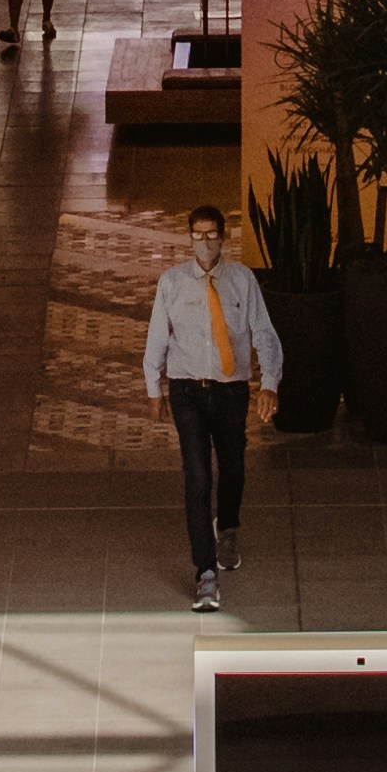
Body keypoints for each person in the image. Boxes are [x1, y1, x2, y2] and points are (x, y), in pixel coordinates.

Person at [144, 199, 272, 607]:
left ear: (223, 238)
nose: (203, 243)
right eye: (196, 236)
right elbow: (157, 337)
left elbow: (264, 333)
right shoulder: (172, 282)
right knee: (197, 477)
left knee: (232, 468)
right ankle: (205, 572)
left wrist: (270, 383)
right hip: (187, 390)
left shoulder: (242, 280)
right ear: (189, 239)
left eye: (211, 235)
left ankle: (228, 528)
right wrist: (153, 387)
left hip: (231, 390)